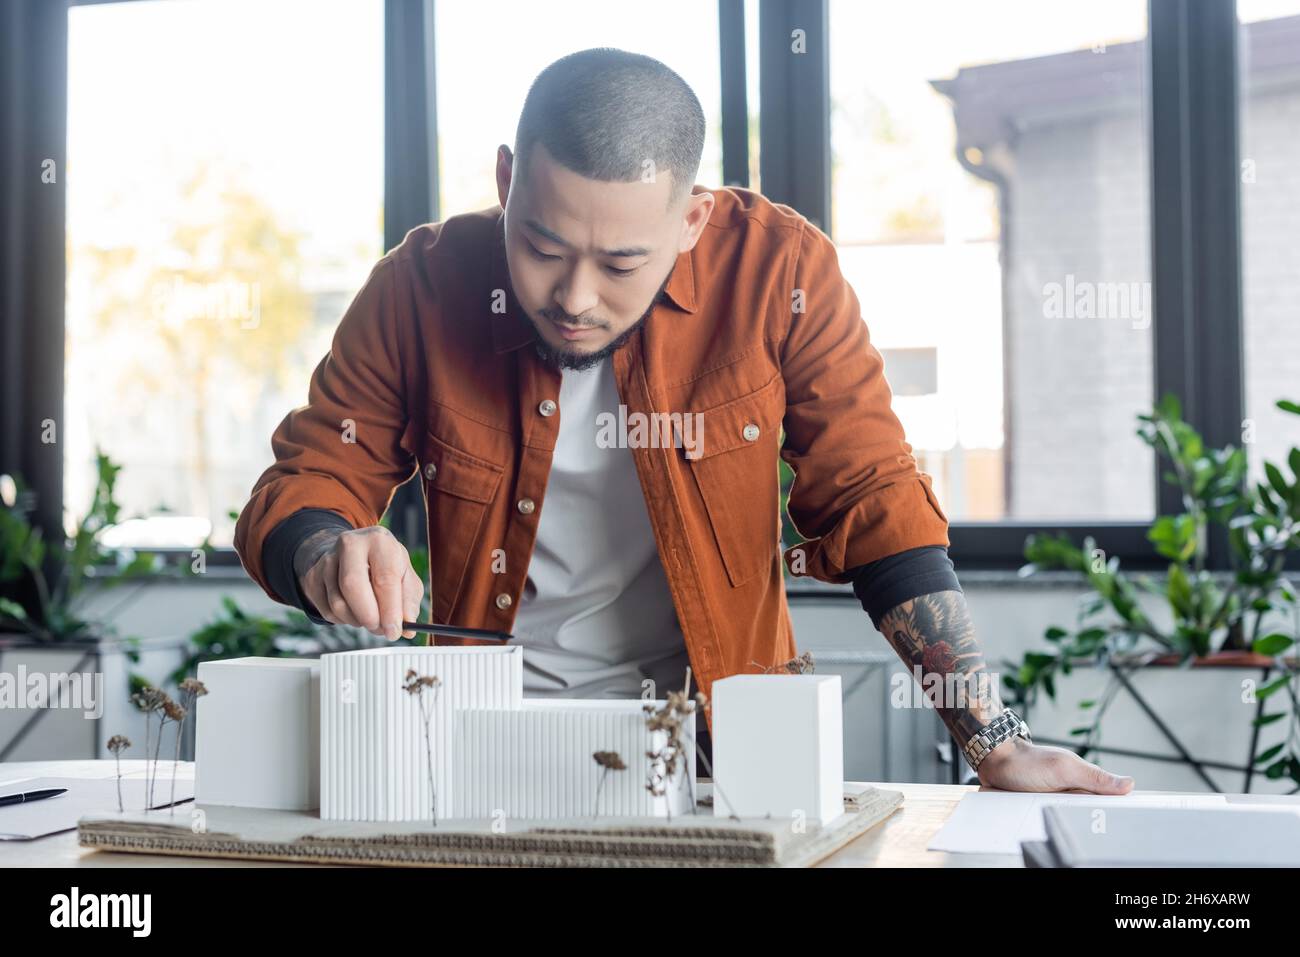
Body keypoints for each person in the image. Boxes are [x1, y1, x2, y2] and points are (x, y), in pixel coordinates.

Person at [233, 47, 1134, 795]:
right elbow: (307, 482)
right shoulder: (422, 285)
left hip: (720, 761)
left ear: (693, 218)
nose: (575, 298)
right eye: (541, 246)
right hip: (478, 753)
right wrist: (325, 548)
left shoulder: (781, 273)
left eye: (622, 261)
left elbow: (873, 502)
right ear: (507, 179)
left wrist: (994, 739)